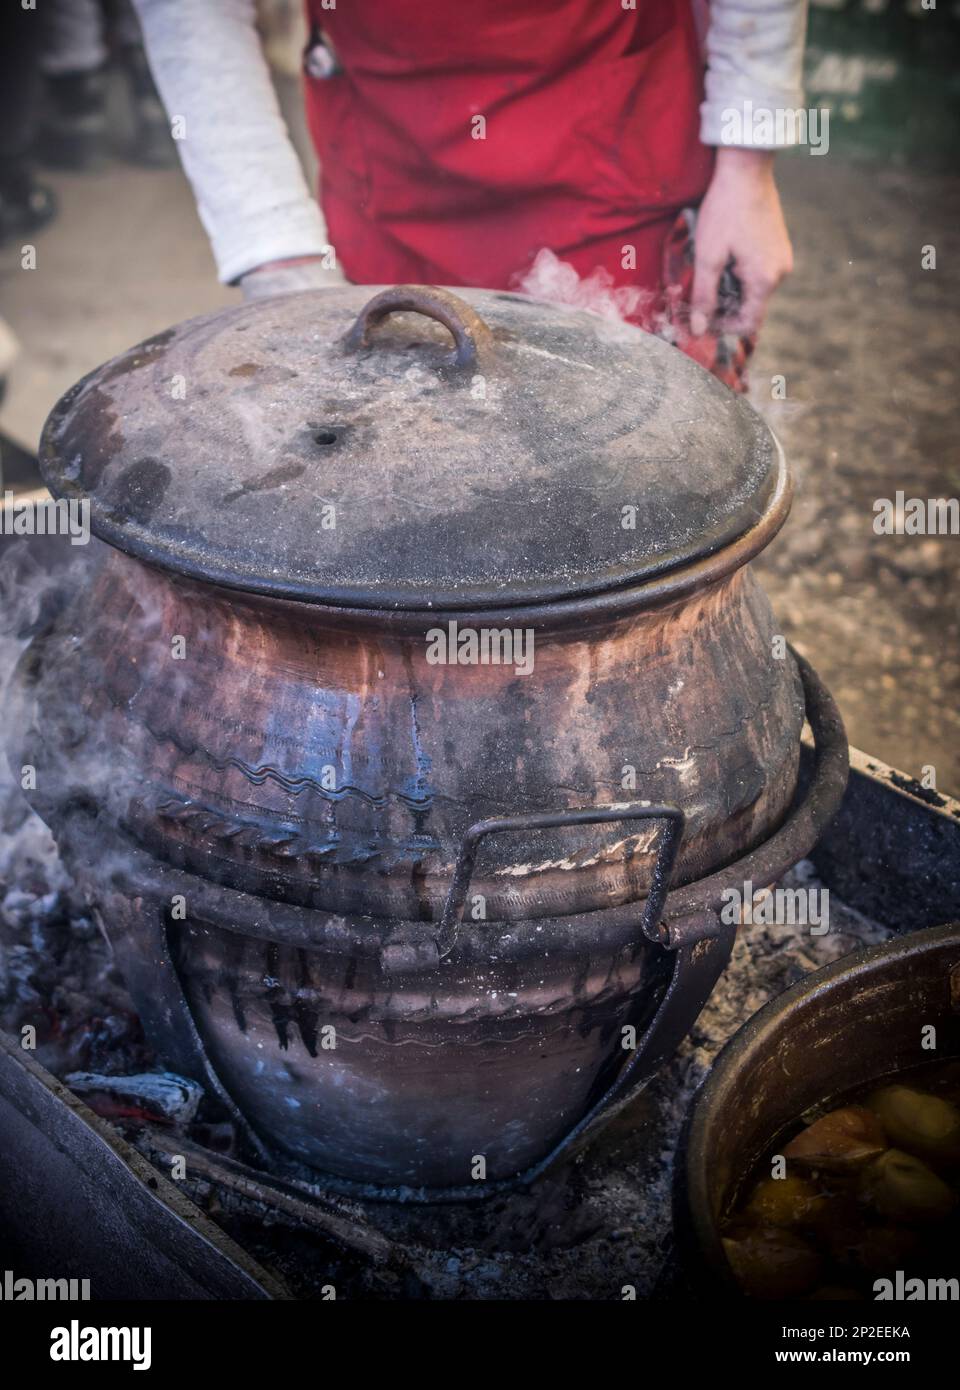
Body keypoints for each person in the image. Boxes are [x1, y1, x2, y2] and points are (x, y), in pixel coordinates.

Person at [132, 0, 808, 390]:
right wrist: (275, 253)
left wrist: (748, 163)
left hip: (614, 135)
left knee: (642, 451)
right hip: (391, 156)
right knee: (404, 465)